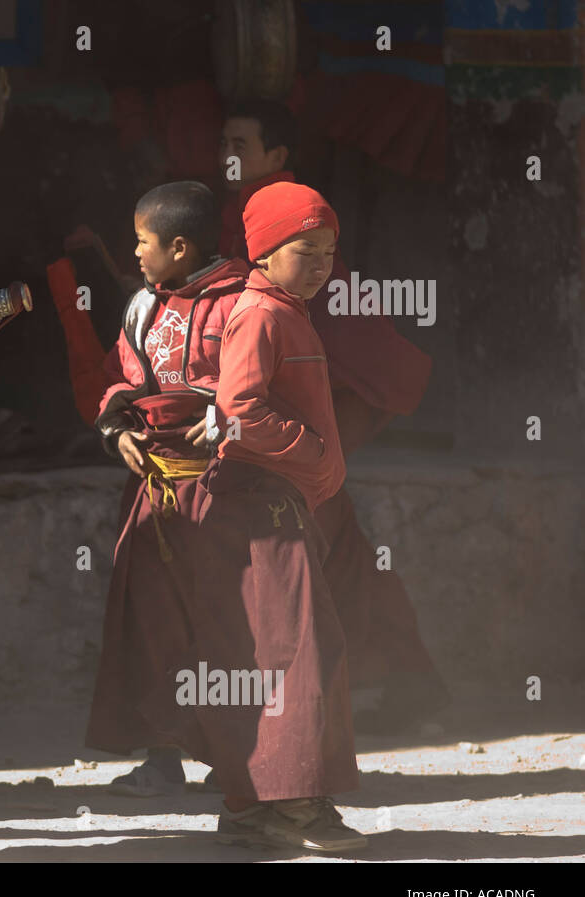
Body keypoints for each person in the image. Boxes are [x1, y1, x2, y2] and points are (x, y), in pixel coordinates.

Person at [219, 100, 446, 732]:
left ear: (277, 157)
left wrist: (314, 444)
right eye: (223, 140)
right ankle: (396, 682)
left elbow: (329, 333)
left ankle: (390, 683)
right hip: (290, 416)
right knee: (337, 548)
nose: (225, 154)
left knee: (335, 547)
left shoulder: (290, 226)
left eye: (240, 141)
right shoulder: (243, 218)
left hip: (314, 414)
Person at [196, 181, 365, 852]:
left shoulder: (286, 309)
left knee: (269, 654)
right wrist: (311, 451)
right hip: (259, 504)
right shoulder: (261, 314)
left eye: (329, 250)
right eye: (306, 249)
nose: (322, 264)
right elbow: (239, 409)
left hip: (278, 505)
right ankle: (295, 807)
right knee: (301, 652)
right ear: (264, 251)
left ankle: (251, 805)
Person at [88, 182, 248, 796]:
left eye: (142, 241)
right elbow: (118, 379)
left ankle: (236, 754)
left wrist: (224, 420)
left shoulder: (241, 304)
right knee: (154, 620)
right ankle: (162, 757)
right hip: (155, 486)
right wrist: (117, 428)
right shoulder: (141, 307)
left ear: (179, 247)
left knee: (227, 618)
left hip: (221, 485)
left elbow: (253, 383)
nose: (135, 252)